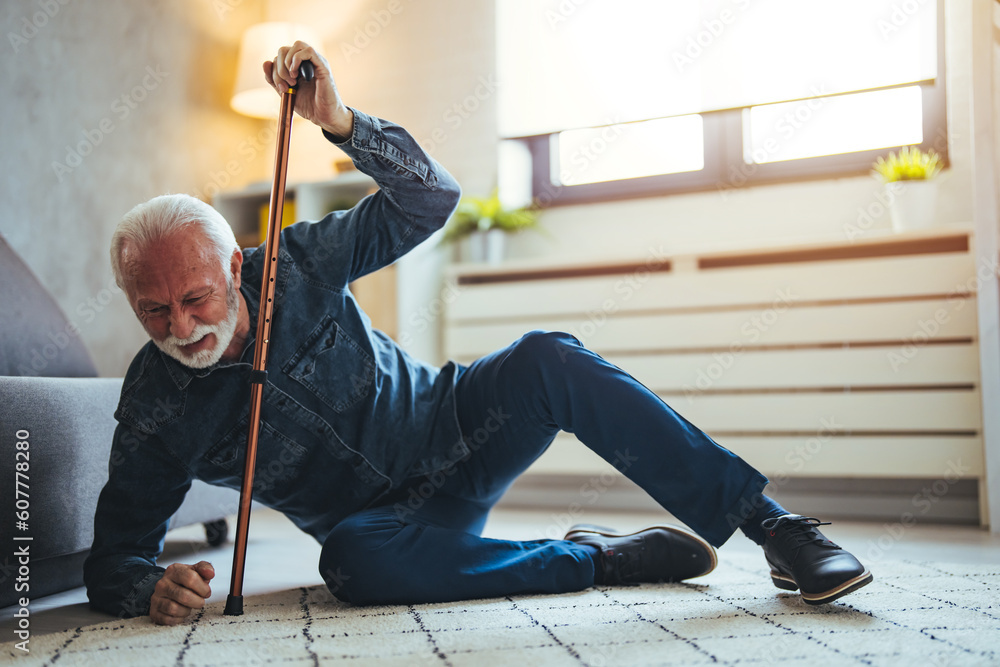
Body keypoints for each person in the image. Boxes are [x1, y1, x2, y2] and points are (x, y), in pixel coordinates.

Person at [84, 42, 872, 626]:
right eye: (154, 311)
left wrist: (341, 122)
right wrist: (144, 583)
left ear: (234, 263)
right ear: (129, 300)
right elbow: (115, 553)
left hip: (460, 424)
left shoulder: (297, 260)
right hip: (389, 528)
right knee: (350, 563)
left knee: (548, 357)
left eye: (196, 297)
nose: (183, 326)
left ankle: (775, 526)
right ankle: (597, 559)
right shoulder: (154, 403)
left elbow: (432, 200)